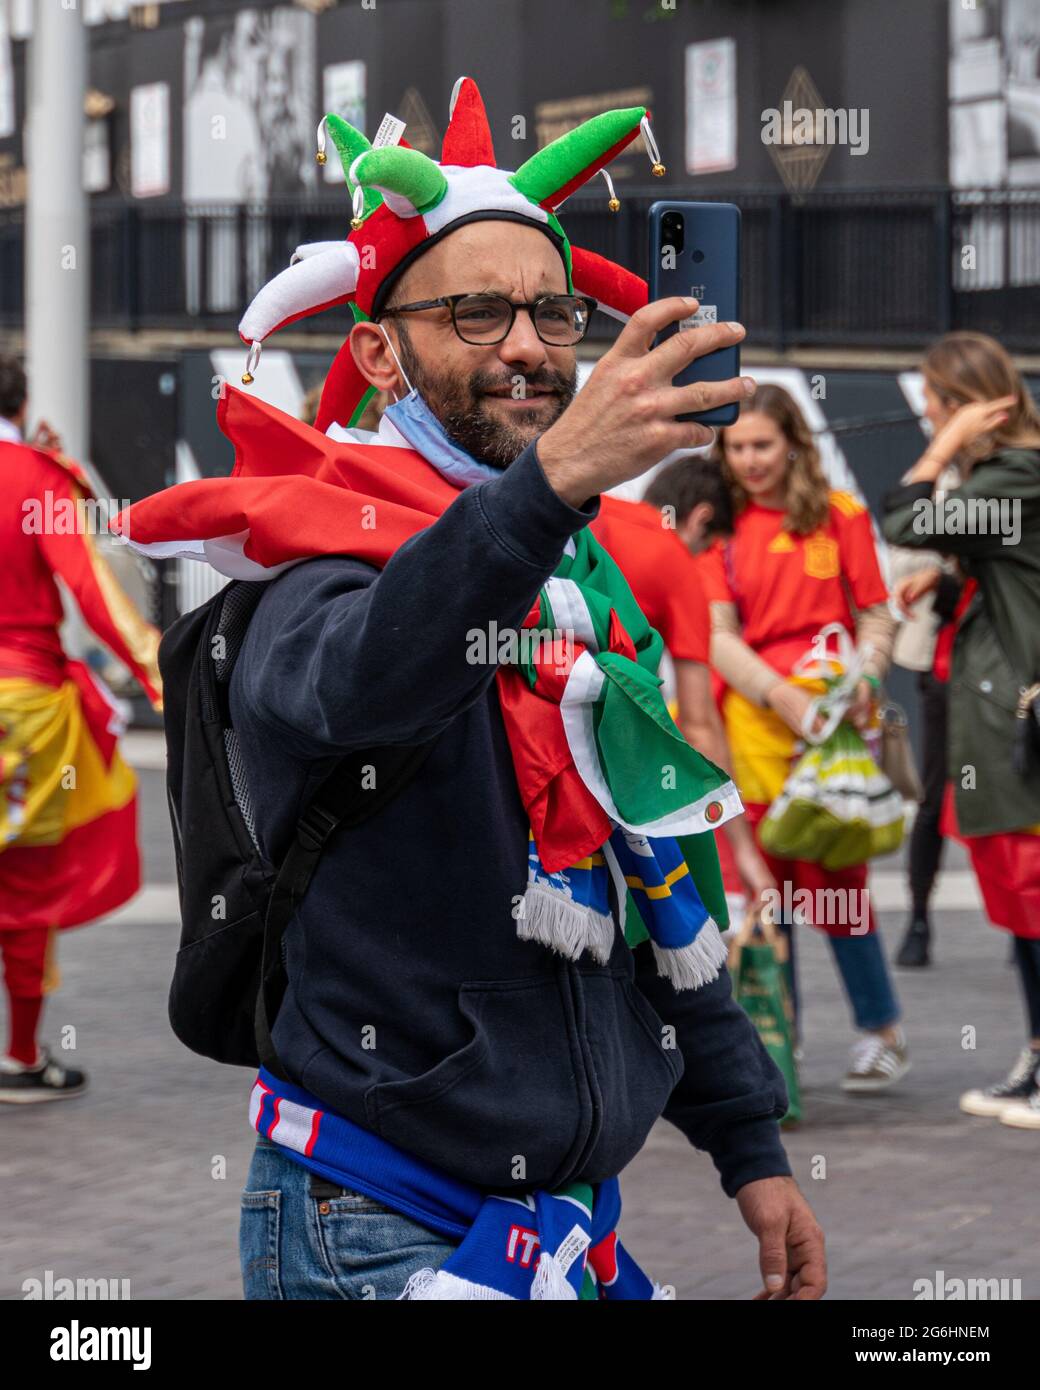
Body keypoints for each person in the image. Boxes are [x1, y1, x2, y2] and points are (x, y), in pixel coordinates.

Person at [125, 81, 825, 1300]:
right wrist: (545, 488)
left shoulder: (574, 575)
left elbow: (648, 867)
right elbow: (361, 682)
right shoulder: (311, 546)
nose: (525, 346)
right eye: (477, 311)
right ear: (377, 350)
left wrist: (747, 1145)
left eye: (550, 312)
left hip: (563, 1230)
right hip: (374, 1224)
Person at [696, 384, 908, 1092]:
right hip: (753, 732)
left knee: (839, 888)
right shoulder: (717, 525)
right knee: (766, 894)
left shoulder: (841, 516)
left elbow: (876, 615)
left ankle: (881, 1034)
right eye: (737, 446)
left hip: (835, 732)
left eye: (762, 444)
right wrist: (778, 694)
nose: (750, 460)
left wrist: (870, 675)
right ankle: (776, 1047)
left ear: (793, 444)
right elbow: (716, 636)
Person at [882, 331, 1040, 1128]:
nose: (930, 419)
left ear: (977, 407)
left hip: (1016, 731)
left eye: (938, 405)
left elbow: (904, 516)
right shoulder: (1012, 482)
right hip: (1002, 726)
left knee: (1032, 898)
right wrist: (947, 579)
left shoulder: (1017, 476)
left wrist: (942, 450)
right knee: (1022, 907)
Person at [0, 355, 163, 1102]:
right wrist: (163, 670)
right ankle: (22, 1056)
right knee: (23, 887)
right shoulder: (38, 476)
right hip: (20, 710)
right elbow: (94, 589)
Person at [590, 488, 776, 909]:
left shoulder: (590, 505)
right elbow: (699, 723)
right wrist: (745, 851)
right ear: (701, 518)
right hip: (615, 772)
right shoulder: (676, 558)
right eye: (708, 547)